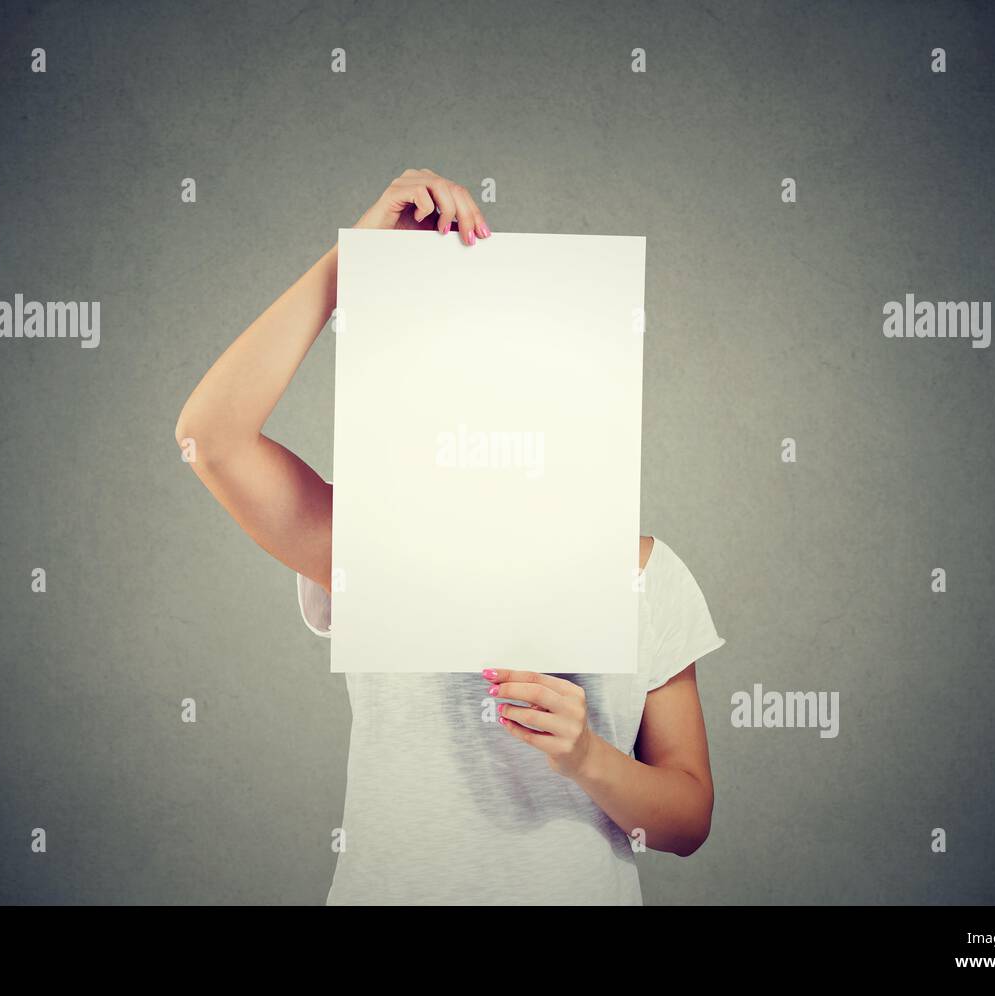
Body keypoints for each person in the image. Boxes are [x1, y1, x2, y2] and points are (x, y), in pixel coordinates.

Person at [174, 168, 727, 904]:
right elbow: (209, 439)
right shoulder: (375, 538)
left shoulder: (649, 575)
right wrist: (355, 263)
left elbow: (687, 821)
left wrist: (587, 756)